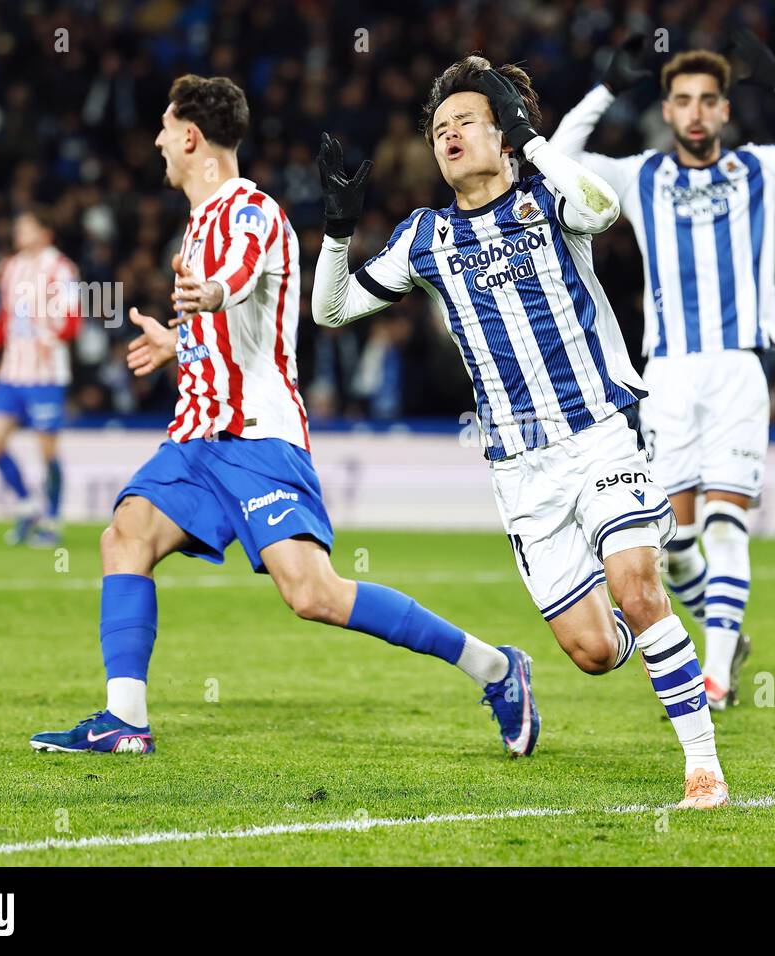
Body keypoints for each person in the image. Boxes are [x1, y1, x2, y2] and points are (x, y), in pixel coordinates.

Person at [30, 74, 537, 758]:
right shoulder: (201, 218)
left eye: (163, 127)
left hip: (256, 441)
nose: (154, 140)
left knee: (313, 594)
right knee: (124, 538)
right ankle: (125, 719)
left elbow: (235, 278)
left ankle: (496, 667)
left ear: (190, 137)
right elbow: (240, 330)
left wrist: (206, 294)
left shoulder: (249, 210)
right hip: (196, 440)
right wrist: (181, 343)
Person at [312, 55, 727, 808]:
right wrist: (338, 232)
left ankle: (703, 767)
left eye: (465, 120)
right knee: (595, 652)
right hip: (520, 471)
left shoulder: (549, 198)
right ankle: (653, 631)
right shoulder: (425, 237)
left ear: (501, 132)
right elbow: (331, 312)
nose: (448, 136)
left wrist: (533, 141)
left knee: (636, 588)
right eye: (439, 129)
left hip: (600, 433)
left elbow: (602, 209)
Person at [550, 32, 775, 707]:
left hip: (736, 370)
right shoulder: (640, 177)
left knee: (726, 525)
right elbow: (559, 163)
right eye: (683, 100)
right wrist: (605, 89)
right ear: (667, 110)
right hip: (663, 376)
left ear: (725, 111)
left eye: (708, 101)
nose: (695, 112)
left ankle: (714, 675)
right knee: (677, 542)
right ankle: (727, 636)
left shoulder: (761, 170)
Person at [0, 208, 80, 547]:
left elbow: (73, 320)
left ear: (46, 233)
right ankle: (27, 504)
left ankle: (53, 519)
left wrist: (48, 336)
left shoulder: (61, 269)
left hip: (45, 375)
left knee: (47, 451)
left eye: (26, 226)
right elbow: (6, 317)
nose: (18, 231)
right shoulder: (11, 267)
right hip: (11, 373)